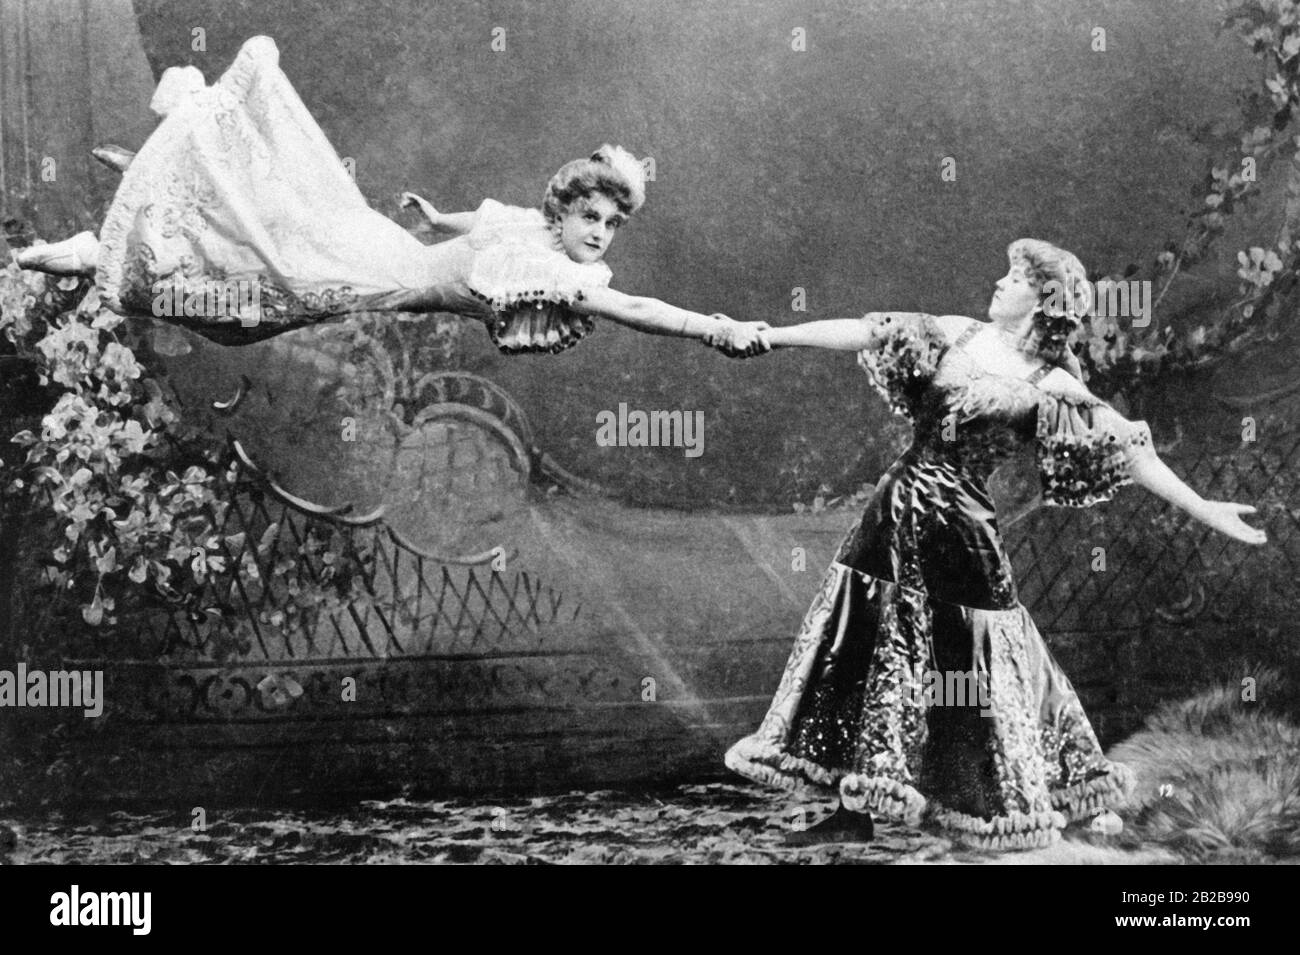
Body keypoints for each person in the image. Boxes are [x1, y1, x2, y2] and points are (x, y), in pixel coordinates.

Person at [719, 239, 1267, 850]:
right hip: (892, 513)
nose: (1000, 284)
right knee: (863, 646)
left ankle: (1009, 799)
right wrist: (770, 333)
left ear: (1043, 301)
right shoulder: (956, 334)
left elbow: (1132, 452)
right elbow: (866, 329)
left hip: (961, 529)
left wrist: (1205, 507)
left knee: (983, 661)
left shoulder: (1053, 384)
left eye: (1015, 279)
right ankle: (855, 806)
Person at [15, 35, 769, 357]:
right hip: (380, 270)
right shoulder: (544, 259)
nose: (601, 234)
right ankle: (107, 240)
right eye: (590, 217)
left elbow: (624, 302)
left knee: (273, 234)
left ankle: (118, 224)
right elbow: (636, 309)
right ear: (562, 214)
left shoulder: (550, 263)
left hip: (385, 261)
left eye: (611, 225)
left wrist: (442, 220)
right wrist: (715, 327)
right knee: (254, 282)